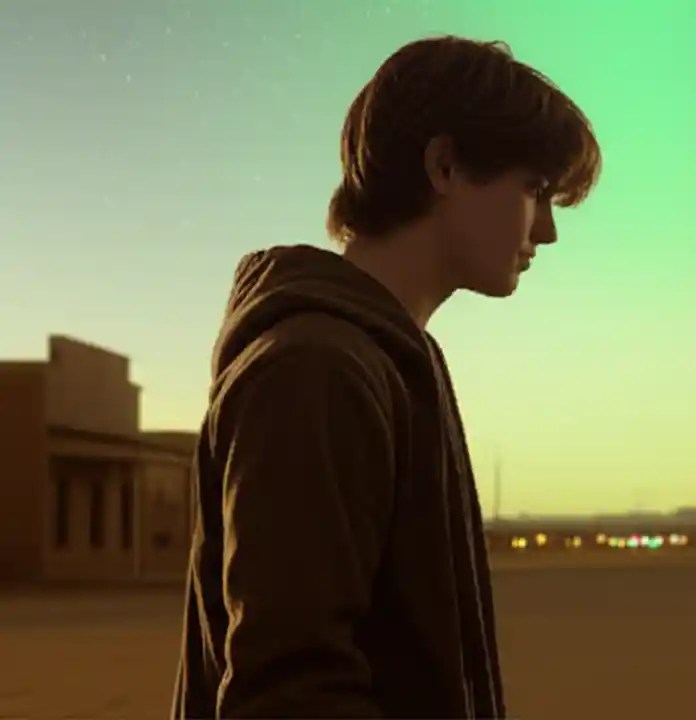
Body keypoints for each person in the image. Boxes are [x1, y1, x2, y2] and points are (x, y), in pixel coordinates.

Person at [172, 35, 601, 718]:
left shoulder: (386, 358)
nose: (546, 230)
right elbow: (290, 690)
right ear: (446, 164)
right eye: (535, 190)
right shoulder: (315, 368)